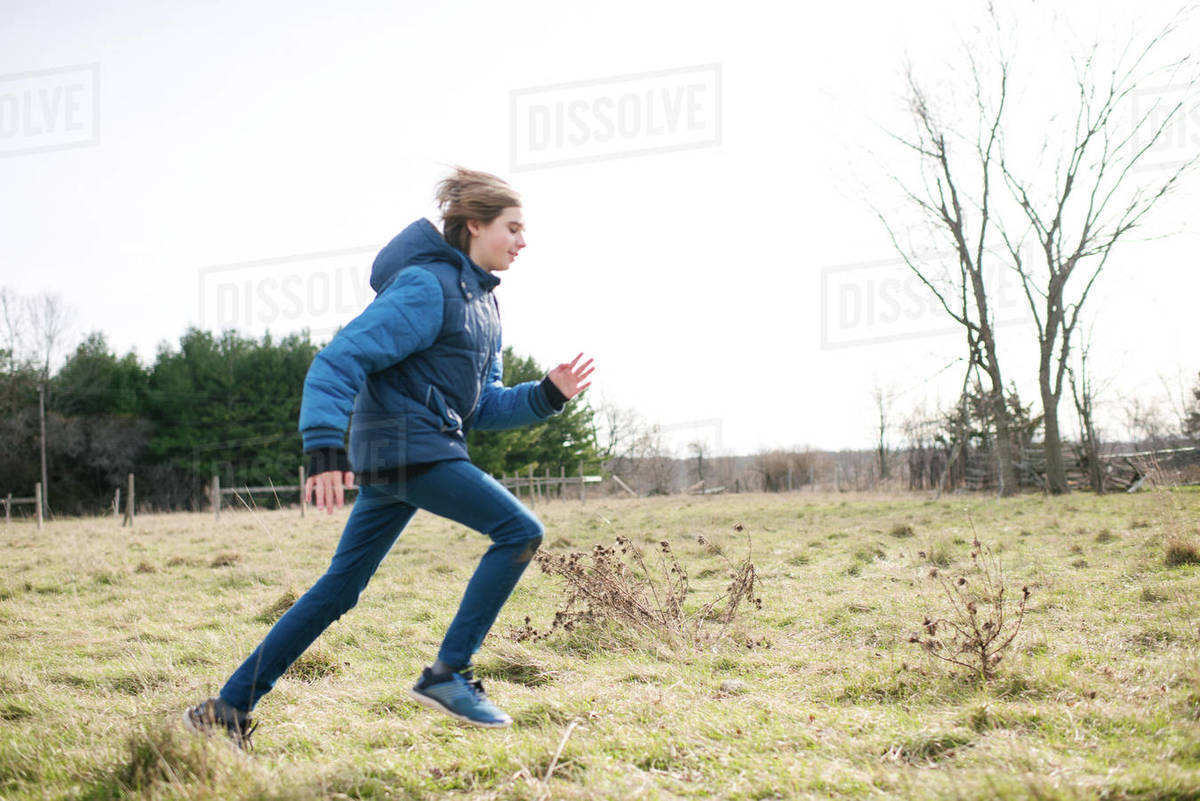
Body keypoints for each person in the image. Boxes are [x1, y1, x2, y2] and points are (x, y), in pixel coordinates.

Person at [183, 167, 593, 748]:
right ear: (475, 225)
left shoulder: (484, 305)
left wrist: (547, 394)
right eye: (513, 227)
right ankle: (448, 673)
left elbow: (480, 406)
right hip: (410, 449)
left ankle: (226, 709)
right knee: (519, 531)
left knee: (339, 589)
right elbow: (339, 359)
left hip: (411, 451)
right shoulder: (427, 287)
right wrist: (323, 445)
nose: (523, 241)